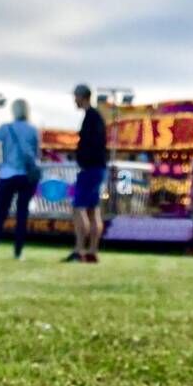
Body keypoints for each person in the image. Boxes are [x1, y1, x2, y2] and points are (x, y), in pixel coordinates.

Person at [0, 99, 40, 259]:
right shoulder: (32, 130)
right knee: (22, 214)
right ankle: (18, 251)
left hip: (6, 174)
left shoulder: (6, 128)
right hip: (25, 176)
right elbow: (37, 154)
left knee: (0, 213)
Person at [63, 84, 107, 263]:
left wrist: (81, 157)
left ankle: (79, 250)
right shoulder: (97, 117)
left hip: (89, 169)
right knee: (93, 209)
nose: (74, 100)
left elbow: (89, 145)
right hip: (98, 169)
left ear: (82, 97)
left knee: (79, 208)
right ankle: (92, 251)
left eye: (75, 96)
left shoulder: (91, 117)